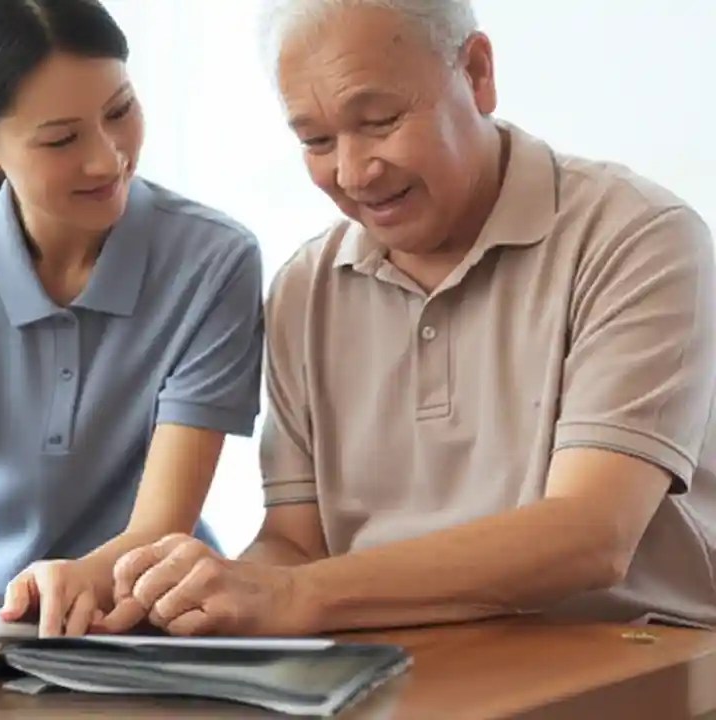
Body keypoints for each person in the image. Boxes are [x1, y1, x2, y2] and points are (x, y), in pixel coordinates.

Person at [100, 0, 716, 637]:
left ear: (477, 73)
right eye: (314, 140)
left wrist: (294, 593)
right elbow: (294, 546)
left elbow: (592, 536)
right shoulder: (305, 288)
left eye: (380, 120)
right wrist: (201, 600)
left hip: (633, 663)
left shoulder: (638, 238)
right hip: (392, 667)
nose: (352, 172)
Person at [0, 0, 264, 638]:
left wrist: (76, 580)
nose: (108, 159)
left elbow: (159, 530)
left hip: (159, 624)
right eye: (61, 139)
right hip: (6, 624)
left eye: (120, 112)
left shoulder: (214, 261)